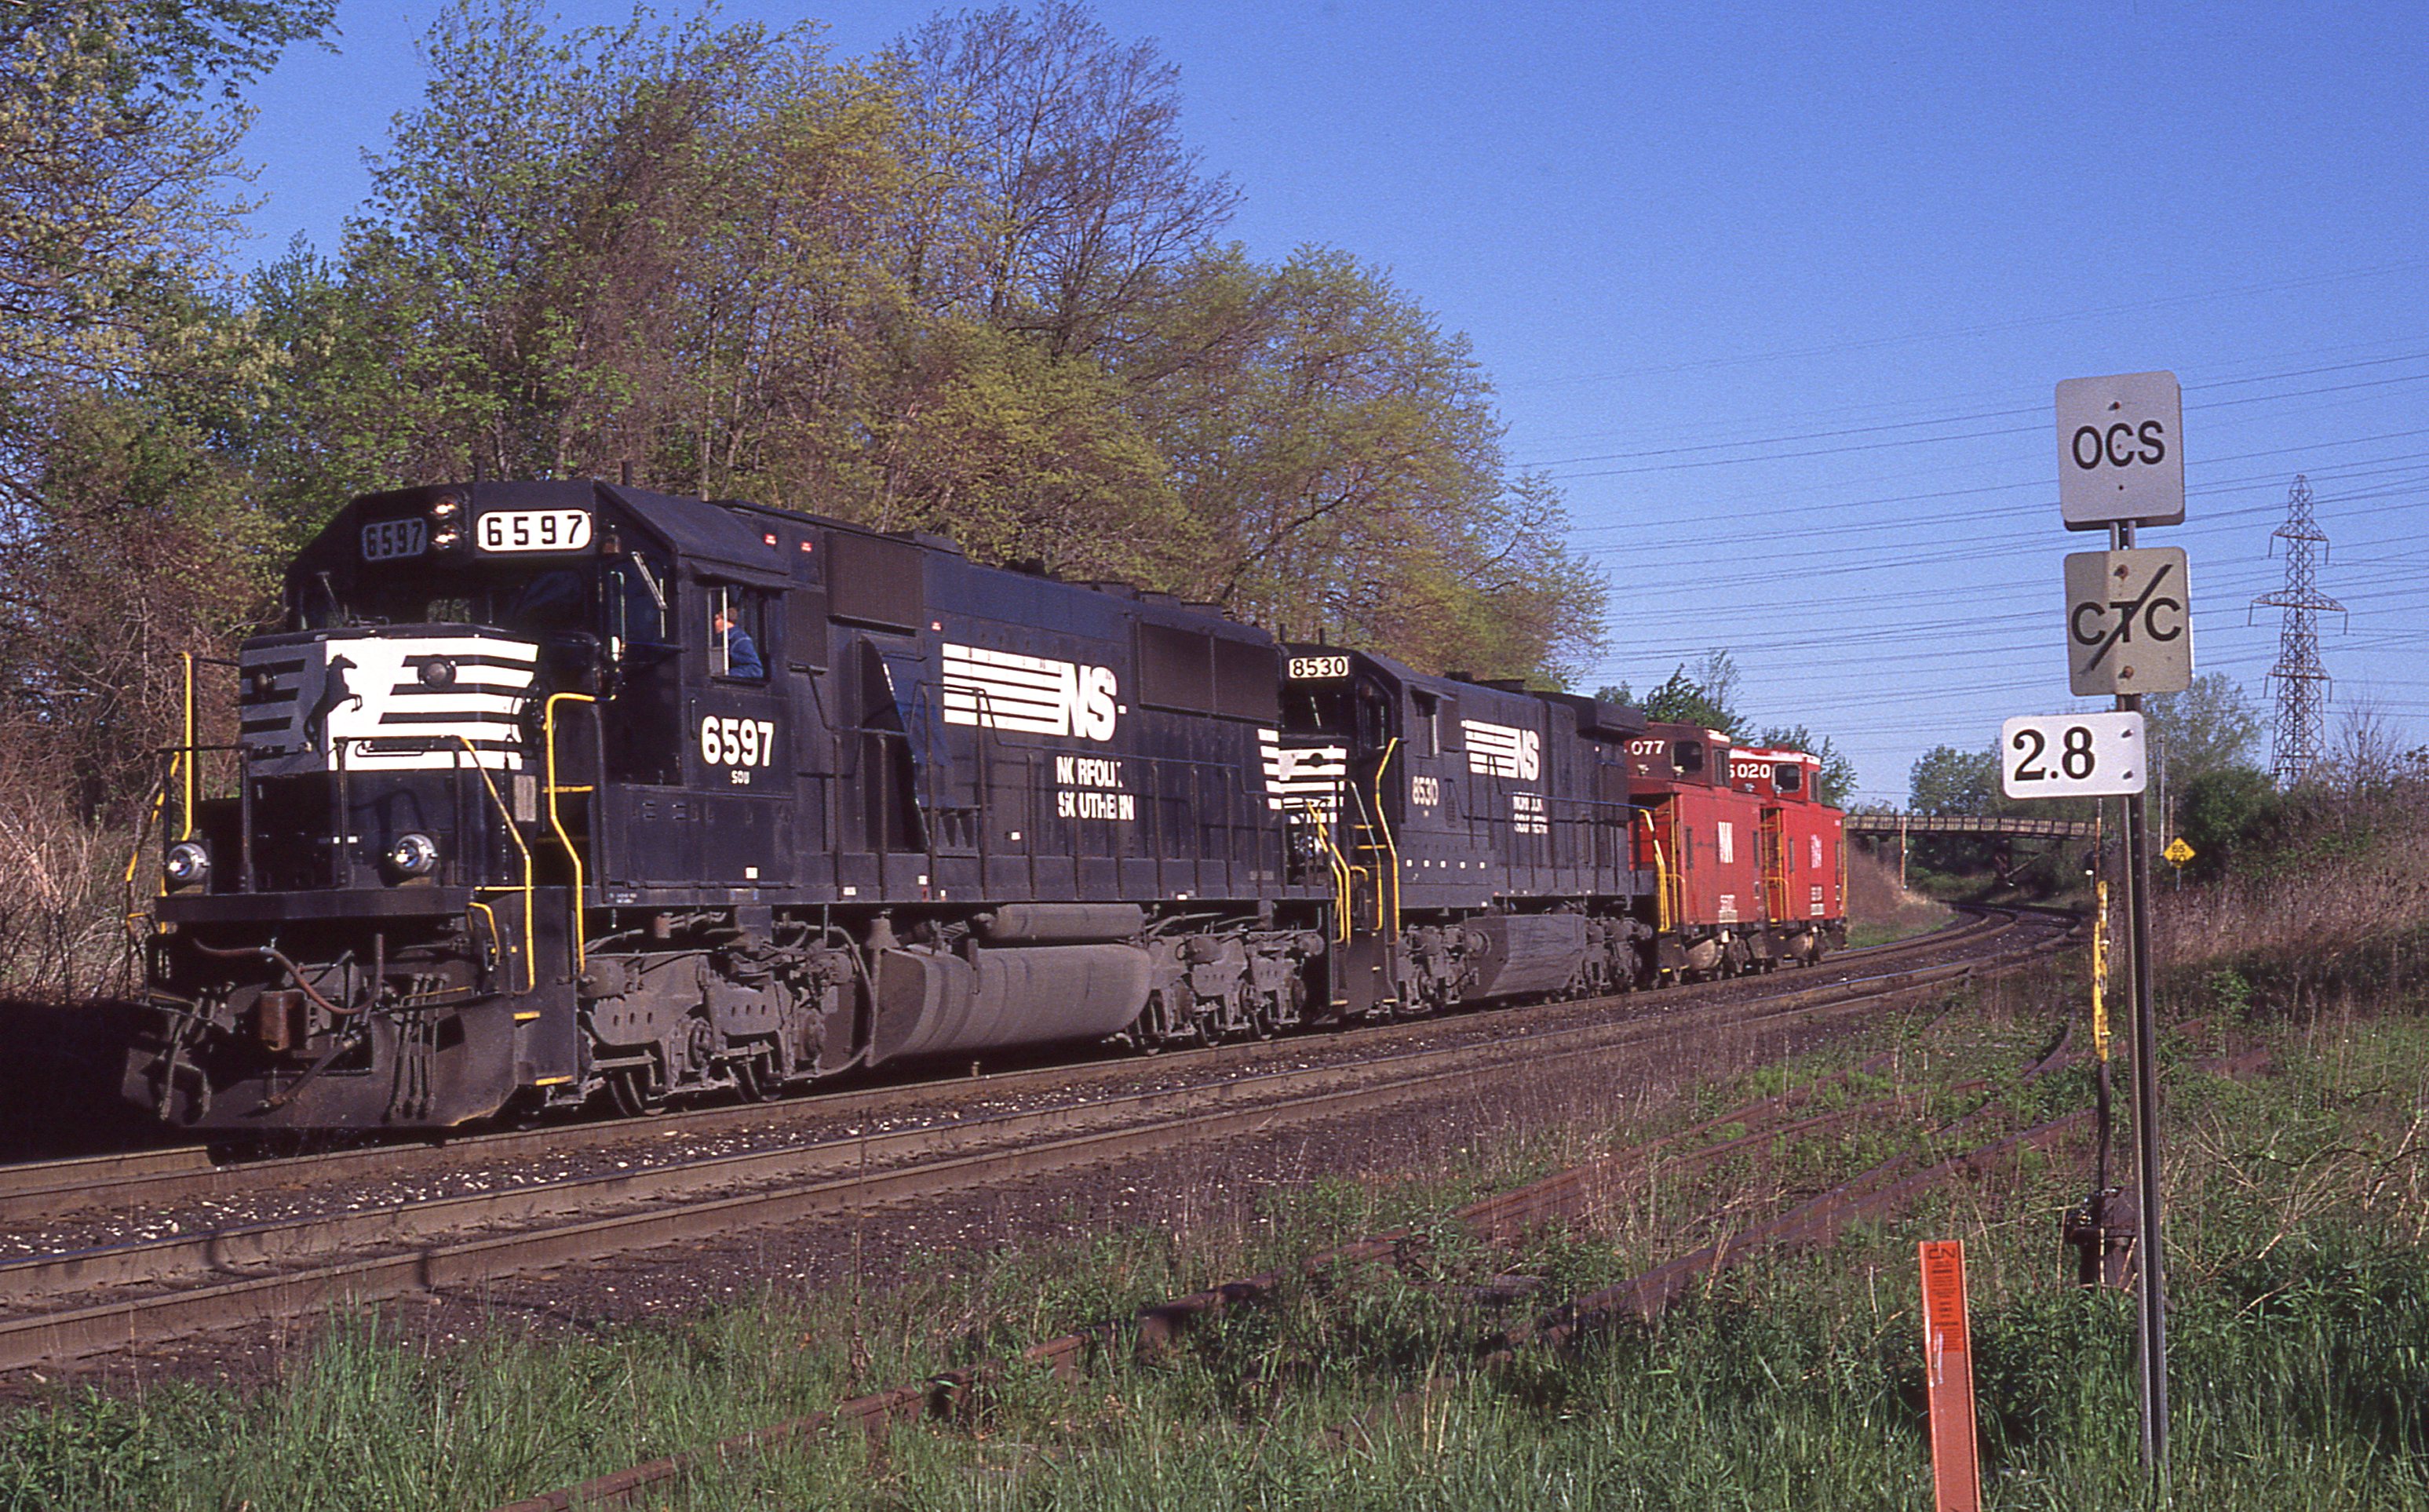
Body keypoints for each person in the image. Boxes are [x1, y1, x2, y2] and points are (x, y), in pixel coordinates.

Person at [713, 606, 764, 679]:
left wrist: (726, 675)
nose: (715, 624)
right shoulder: (725, 638)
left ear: (723, 620)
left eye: (717, 619)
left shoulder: (740, 639)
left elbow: (755, 670)